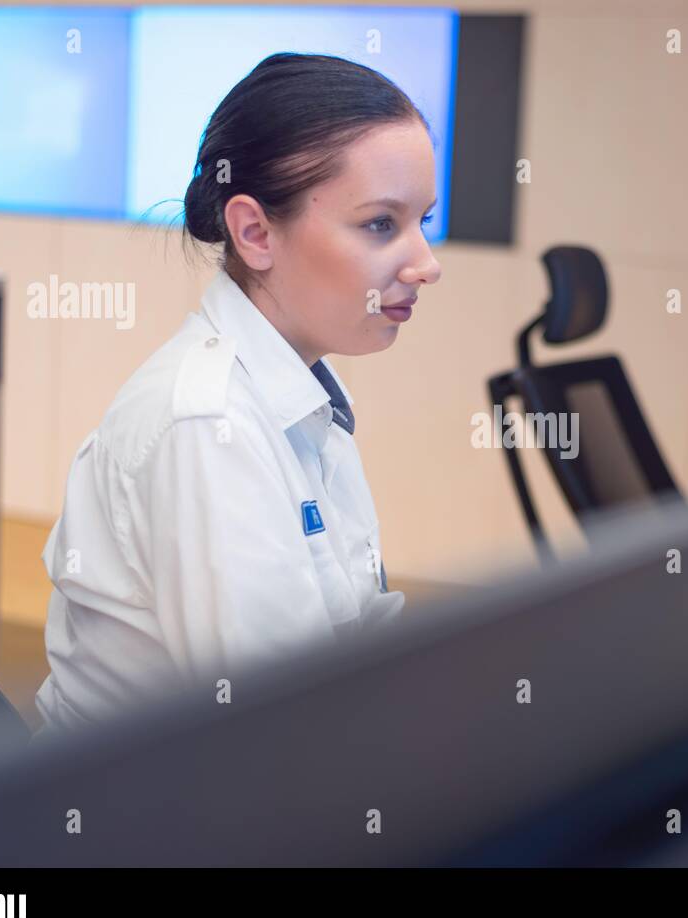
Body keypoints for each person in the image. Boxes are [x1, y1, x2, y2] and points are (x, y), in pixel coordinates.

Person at [34, 53, 442, 732]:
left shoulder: (306, 392)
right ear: (255, 232)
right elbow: (276, 736)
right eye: (380, 224)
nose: (426, 263)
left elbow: (360, 641)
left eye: (423, 221)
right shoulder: (206, 423)